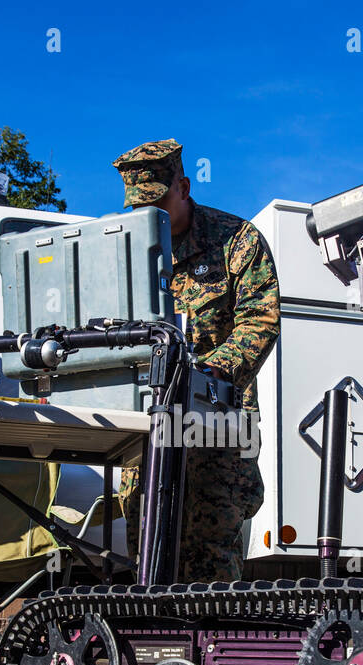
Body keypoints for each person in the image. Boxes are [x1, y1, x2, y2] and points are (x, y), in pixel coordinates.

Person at [112, 139, 280, 582]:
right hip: (148, 429)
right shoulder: (126, 250)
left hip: (218, 428)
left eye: (159, 200)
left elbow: (260, 320)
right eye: (138, 205)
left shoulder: (236, 241)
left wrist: (208, 370)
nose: (151, 215)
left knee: (209, 557)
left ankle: (210, 648)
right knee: (145, 548)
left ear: (184, 187)